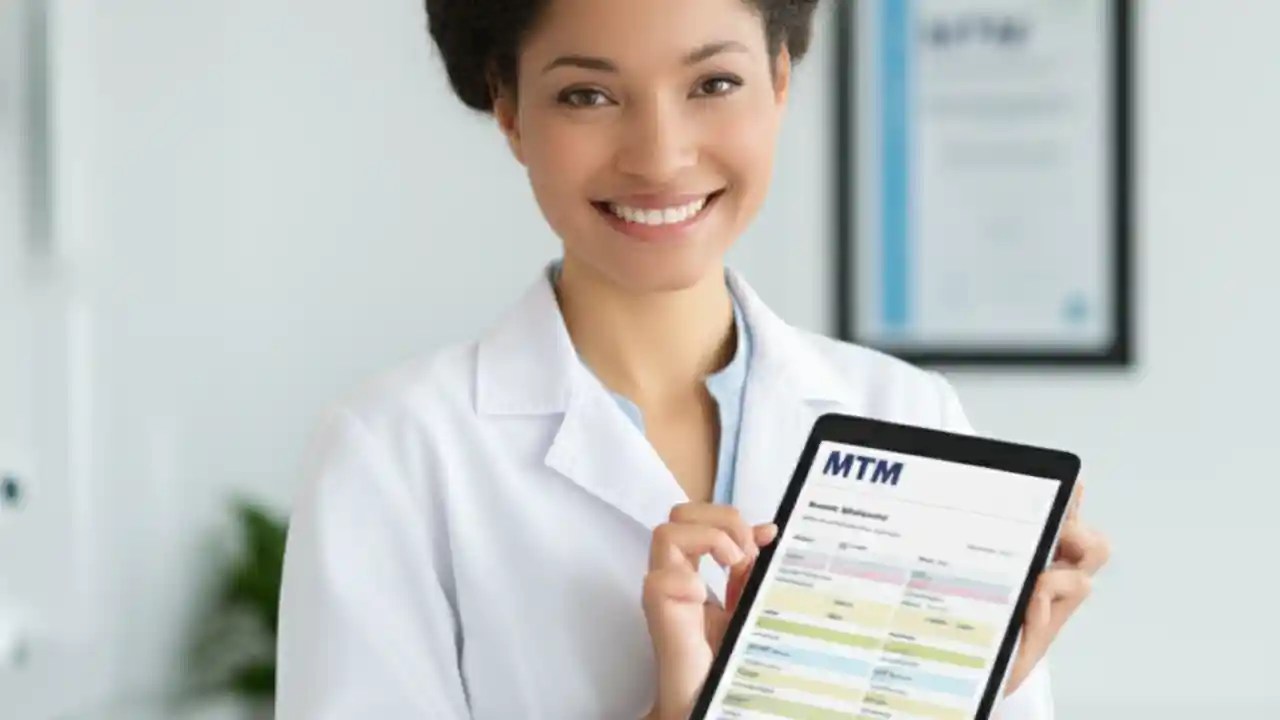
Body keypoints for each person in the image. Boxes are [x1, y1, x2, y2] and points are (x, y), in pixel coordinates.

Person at [275, 0, 1112, 718]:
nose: (659, 156)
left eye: (713, 84)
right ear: (508, 109)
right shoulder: (394, 451)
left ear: (781, 79)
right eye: (587, 94)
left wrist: (974, 691)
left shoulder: (908, 414)